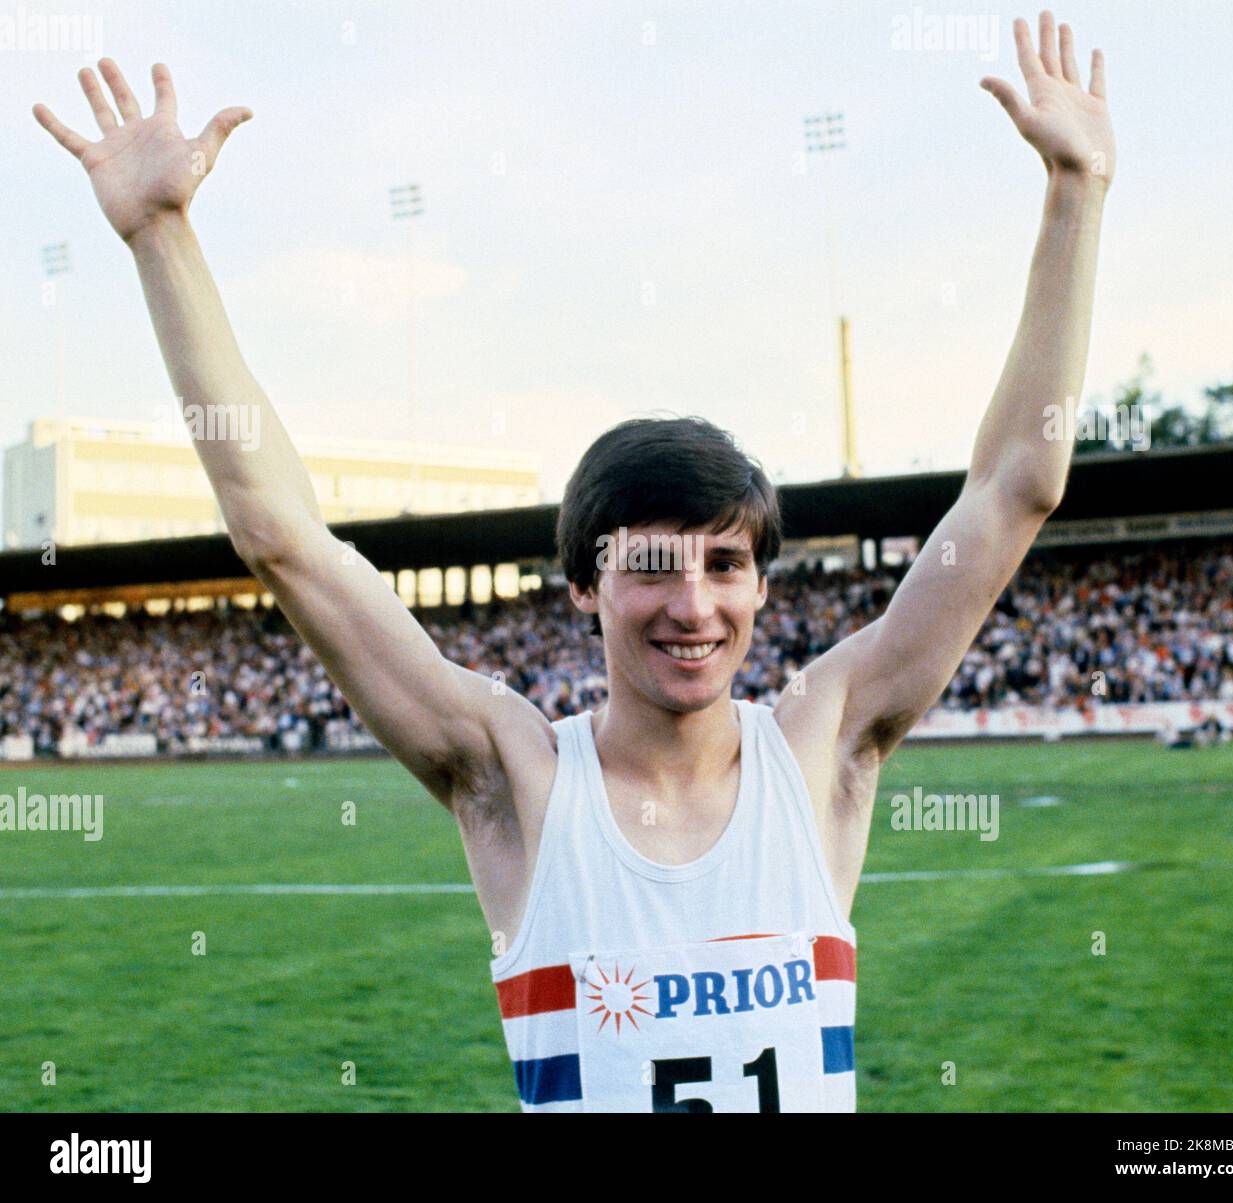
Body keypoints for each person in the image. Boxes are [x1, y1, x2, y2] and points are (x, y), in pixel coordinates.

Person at [33, 10, 1114, 1112]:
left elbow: (1013, 490)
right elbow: (284, 538)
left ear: (758, 586)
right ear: (585, 587)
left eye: (725, 565)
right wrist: (160, 235)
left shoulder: (821, 745)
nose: (693, 605)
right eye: (651, 565)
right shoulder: (515, 776)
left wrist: (1076, 191)